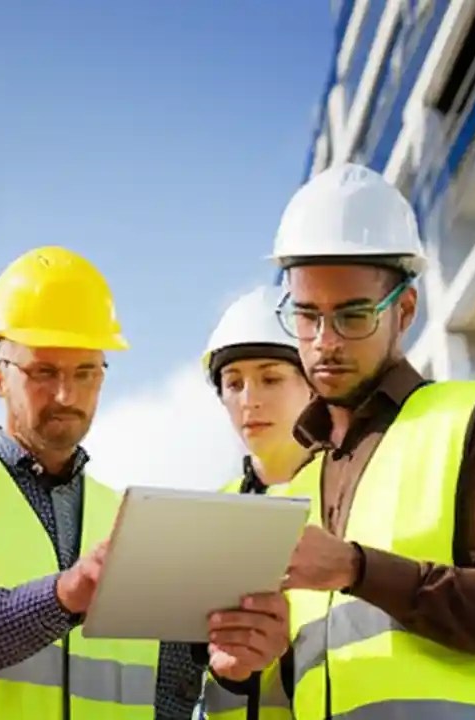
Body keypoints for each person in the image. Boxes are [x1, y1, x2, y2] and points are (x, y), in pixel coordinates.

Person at [0, 246, 290, 719]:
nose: (66, 394)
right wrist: (64, 595)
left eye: (85, 373)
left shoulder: (129, 520)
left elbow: (167, 702)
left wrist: (229, 675)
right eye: (43, 372)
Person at [256, 163, 475, 719]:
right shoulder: (292, 492)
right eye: (306, 316)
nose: (324, 342)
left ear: (404, 310)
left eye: (352, 316)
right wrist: (245, 664)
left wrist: (358, 569)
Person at [197, 285, 312, 719]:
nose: (250, 400)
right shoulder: (208, 518)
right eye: (234, 383)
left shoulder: (353, 488)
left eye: (271, 378)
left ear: (314, 385)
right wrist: (229, 676)